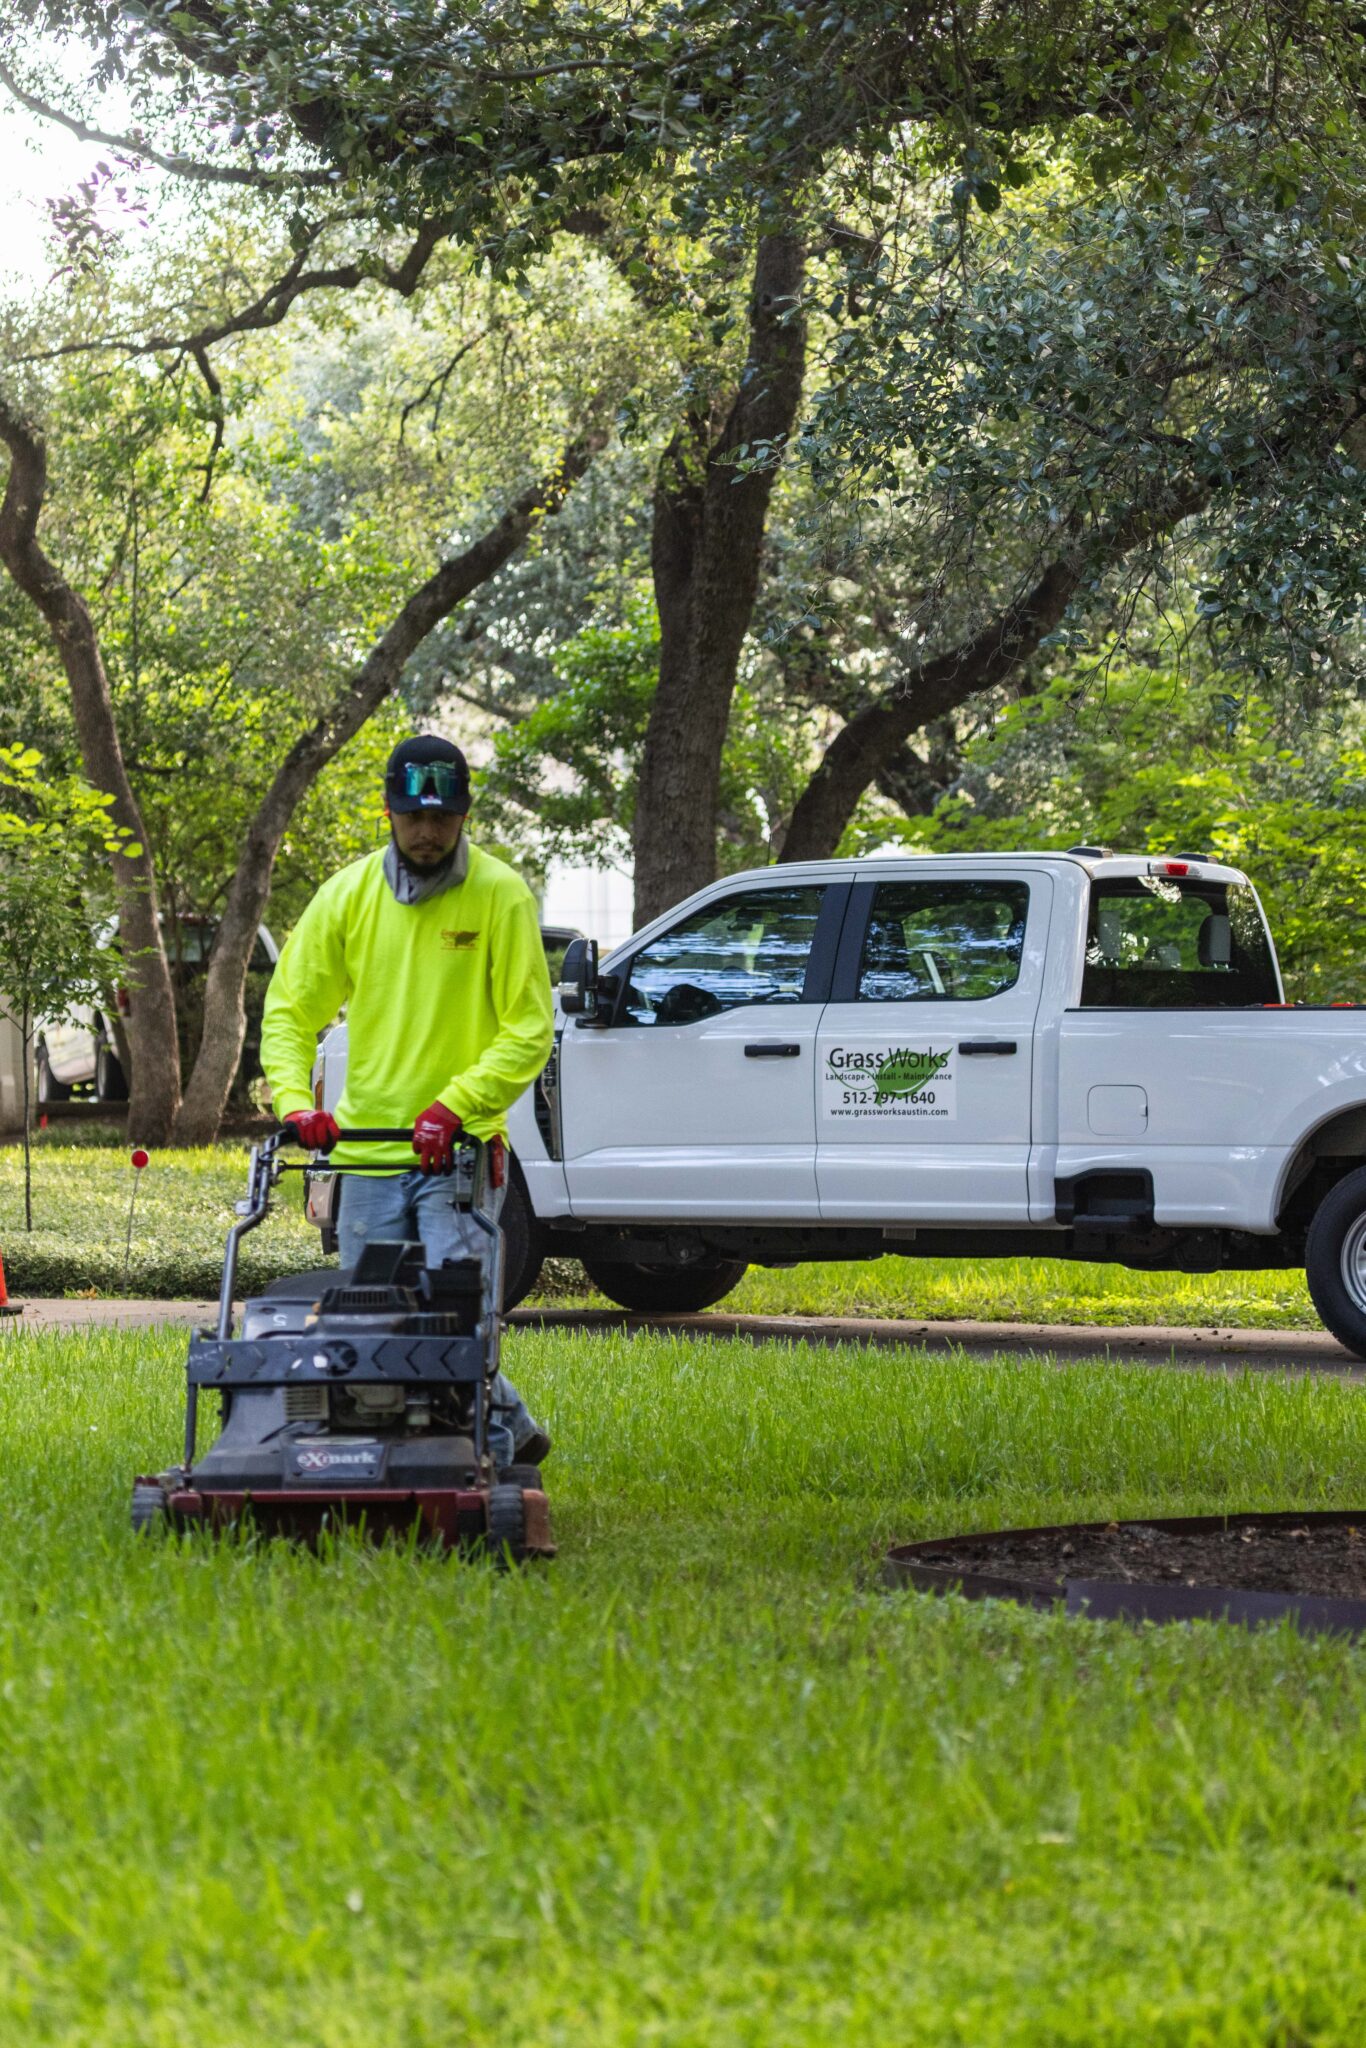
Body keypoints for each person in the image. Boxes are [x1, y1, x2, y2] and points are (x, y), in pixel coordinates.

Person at [259, 734, 555, 1471]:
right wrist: (296, 1104)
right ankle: (458, 1438)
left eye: (443, 818)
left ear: (464, 815)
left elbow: (528, 1029)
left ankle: (486, 1461)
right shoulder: (347, 897)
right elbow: (290, 1011)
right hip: (368, 1152)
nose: (428, 832)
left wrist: (456, 1105)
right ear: (388, 811)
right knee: (374, 1322)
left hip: (459, 1152)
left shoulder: (500, 896)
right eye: (414, 817)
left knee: (458, 1317)